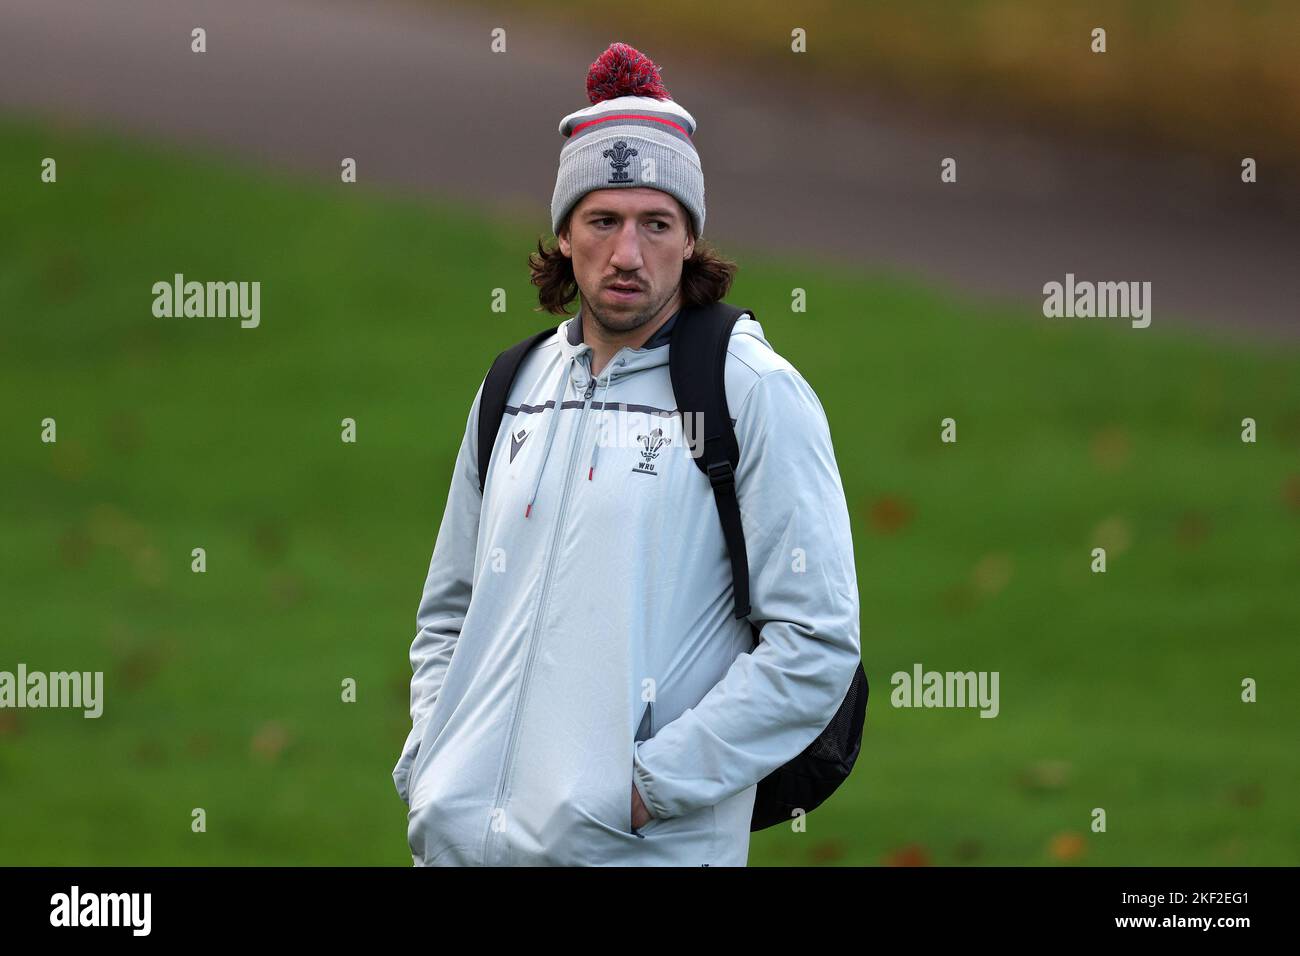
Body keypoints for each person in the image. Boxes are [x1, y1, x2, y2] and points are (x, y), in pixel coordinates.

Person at [393, 42, 861, 866]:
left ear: (690, 240)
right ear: (566, 235)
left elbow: (816, 645)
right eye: (603, 220)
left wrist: (642, 790)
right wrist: (437, 761)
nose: (628, 253)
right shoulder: (512, 384)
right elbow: (448, 612)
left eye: (657, 223)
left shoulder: (752, 390)